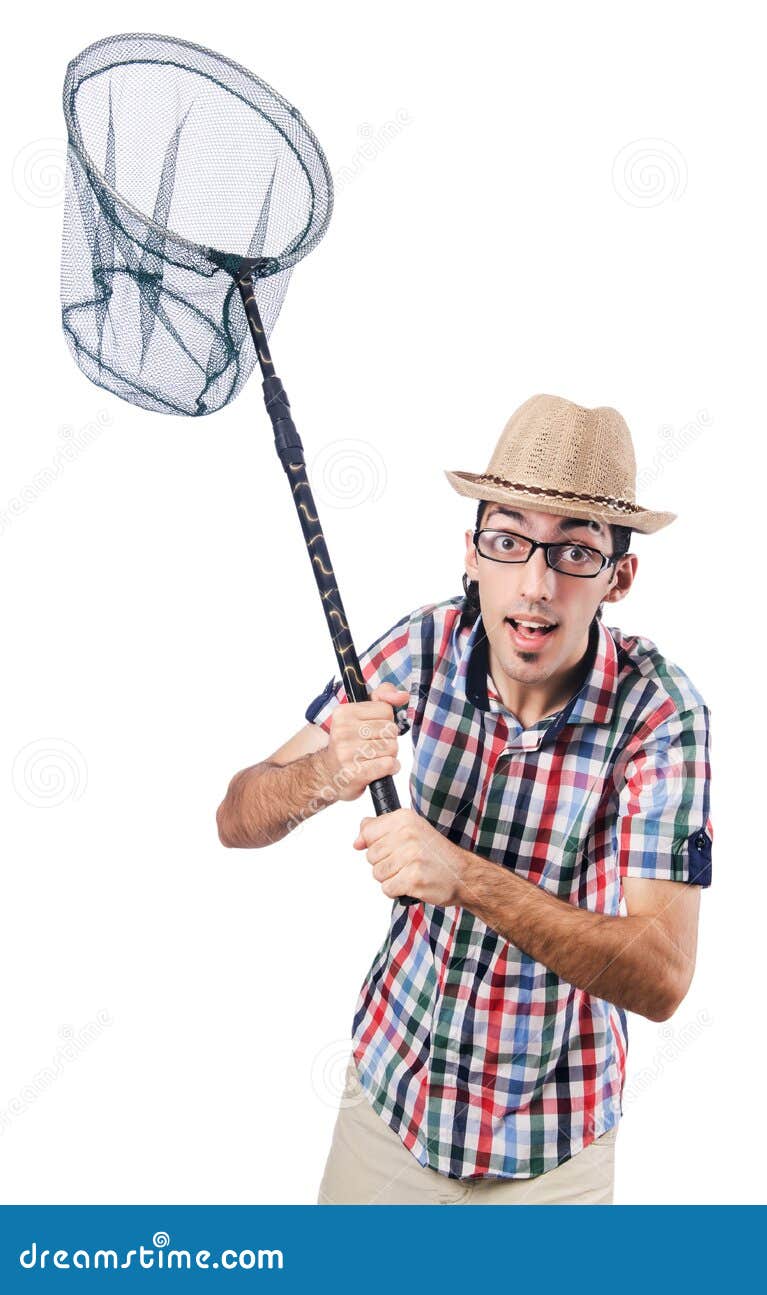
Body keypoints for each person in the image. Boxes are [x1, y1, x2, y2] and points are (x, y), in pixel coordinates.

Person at [217, 394, 713, 1204]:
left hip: (556, 1142)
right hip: (391, 1101)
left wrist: (466, 877)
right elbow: (236, 816)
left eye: (575, 552)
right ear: (473, 553)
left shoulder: (662, 714)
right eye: (509, 540)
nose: (536, 583)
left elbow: (663, 976)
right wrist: (324, 776)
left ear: (620, 576)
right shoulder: (424, 645)